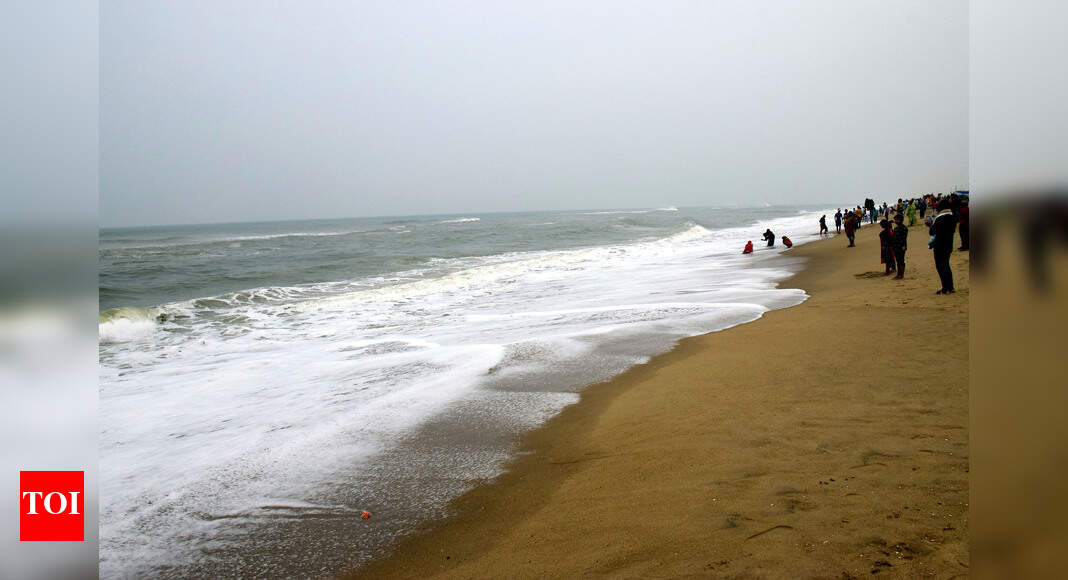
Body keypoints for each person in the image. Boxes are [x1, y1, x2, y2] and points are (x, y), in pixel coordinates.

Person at [929, 201, 958, 294]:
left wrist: (930, 225)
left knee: (941, 266)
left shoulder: (940, 218)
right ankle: (950, 287)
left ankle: (946, 288)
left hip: (940, 245)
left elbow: (933, 231)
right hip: (949, 243)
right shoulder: (952, 216)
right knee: (946, 265)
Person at [891, 213, 908, 279]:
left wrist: (903, 246)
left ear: (900, 220)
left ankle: (901, 274)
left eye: (896, 220)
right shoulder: (896, 228)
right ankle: (899, 274)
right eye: (895, 220)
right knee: (898, 261)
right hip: (895, 246)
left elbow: (904, 238)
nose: (895, 221)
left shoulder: (903, 228)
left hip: (901, 246)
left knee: (901, 260)